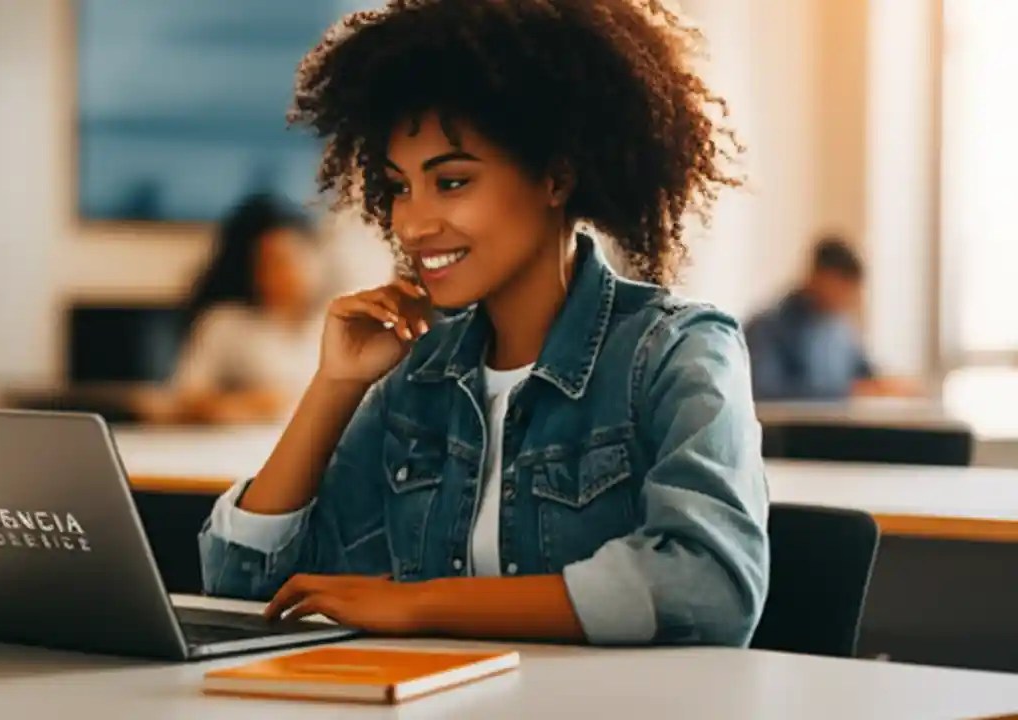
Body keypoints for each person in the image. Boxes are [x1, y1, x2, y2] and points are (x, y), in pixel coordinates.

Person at [198, 0, 769, 646]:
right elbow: (242, 587)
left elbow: (709, 586)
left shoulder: (676, 353)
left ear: (555, 177)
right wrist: (334, 386)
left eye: (451, 182)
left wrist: (423, 605)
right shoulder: (418, 377)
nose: (411, 225)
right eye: (400, 188)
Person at [169, 193, 325, 424]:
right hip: (245, 448)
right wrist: (249, 404)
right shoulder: (226, 324)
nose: (292, 272)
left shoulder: (331, 320)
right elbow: (185, 399)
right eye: (276, 262)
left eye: (299, 257)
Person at [745, 237, 918, 401]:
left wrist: (889, 385)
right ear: (819, 276)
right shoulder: (766, 330)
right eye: (842, 288)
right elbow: (765, 394)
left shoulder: (840, 330)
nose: (848, 299)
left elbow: (865, 373)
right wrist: (847, 393)